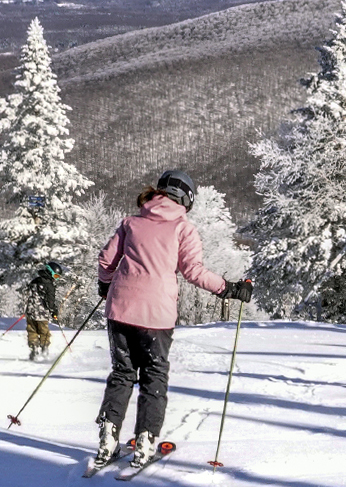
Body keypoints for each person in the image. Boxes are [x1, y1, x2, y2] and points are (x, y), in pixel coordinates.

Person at [94, 169, 253, 468]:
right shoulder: (183, 229)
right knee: (154, 375)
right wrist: (229, 289)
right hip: (156, 316)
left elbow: (106, 261)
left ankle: (107, 439)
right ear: (187, 199)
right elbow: (193, 271)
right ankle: (144, 442)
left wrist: (106, 285)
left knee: (122, 374)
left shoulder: (130, 223)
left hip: (120, 309)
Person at [23, 261, 63, 361]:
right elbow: (50, 301)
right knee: (44, 331)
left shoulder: (35, 281)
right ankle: (44, 348)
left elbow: (27, 294)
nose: (56, 279)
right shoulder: (49, 285)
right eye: (56, 276)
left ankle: (34, 348)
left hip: (30, 311)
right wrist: (54, 311)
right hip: (42, 313)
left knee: (32, 330)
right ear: (50, 272)